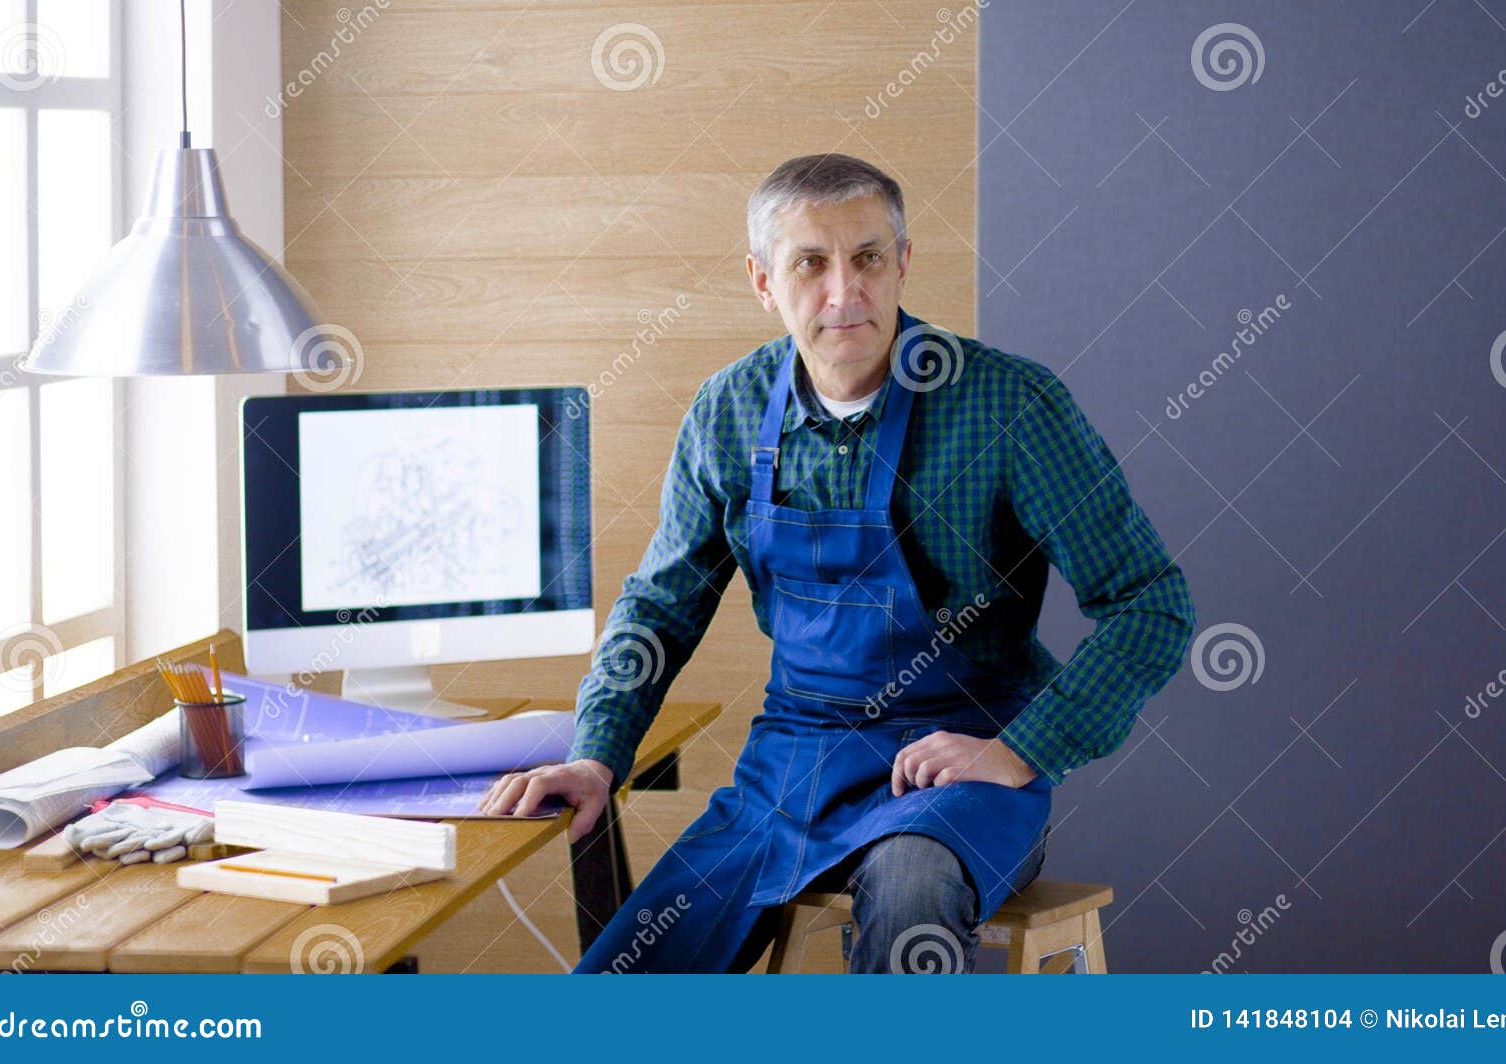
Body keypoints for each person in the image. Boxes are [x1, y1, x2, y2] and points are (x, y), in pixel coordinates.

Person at [479, 153, 1196, 973]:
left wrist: (1019, 749)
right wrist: (597, 752)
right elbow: (659, 607)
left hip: (955, 770)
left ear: (903, 263)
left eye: (868, 259)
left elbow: (1151, 602)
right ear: (762, 281)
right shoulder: (729, 409)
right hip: (790, 768)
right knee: (627, 976)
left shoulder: (1007, 405)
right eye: (810, 263)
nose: (844, 293)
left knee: (910, 897)